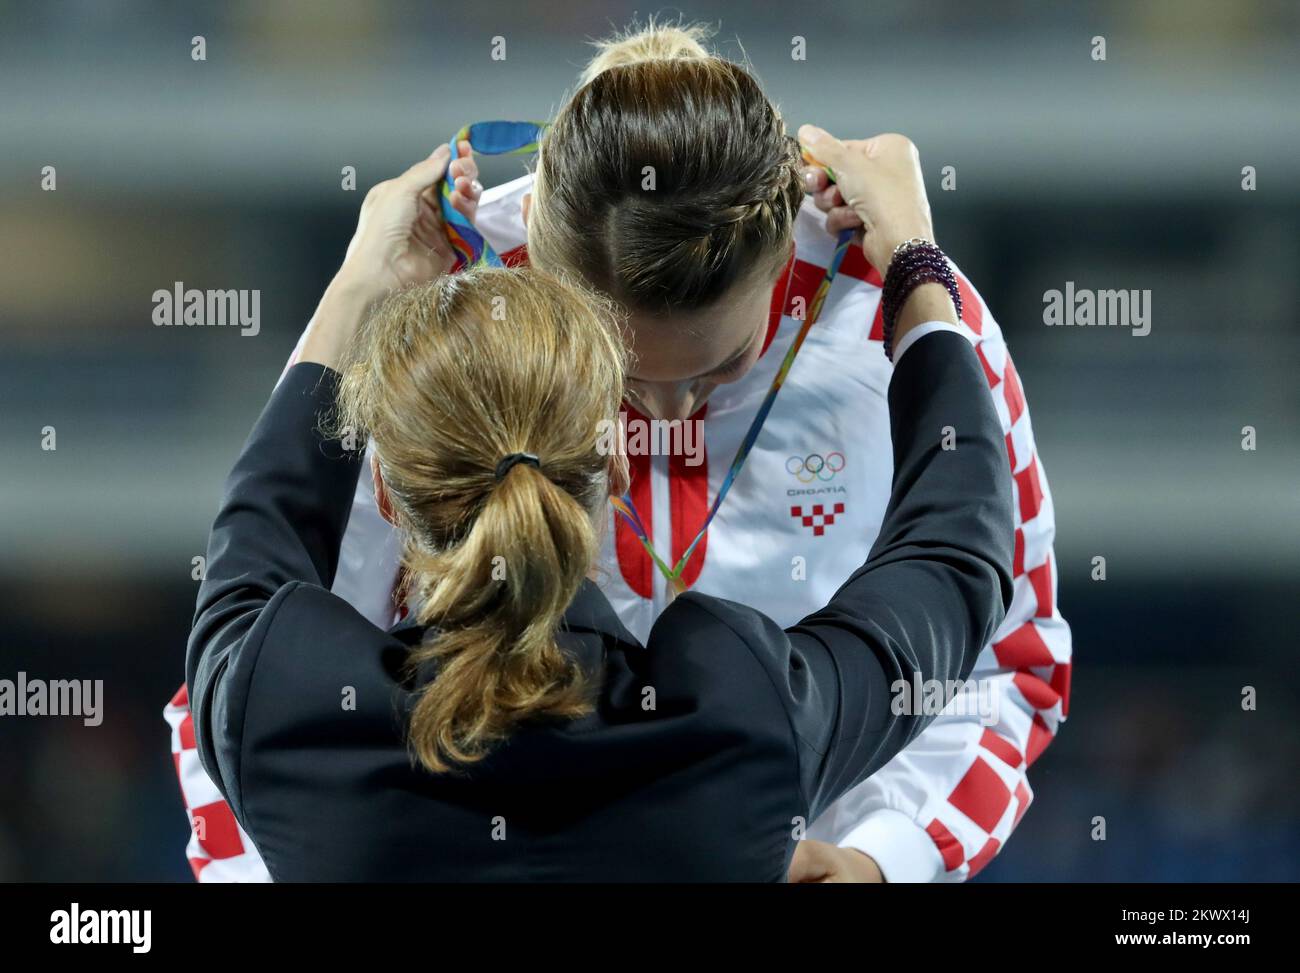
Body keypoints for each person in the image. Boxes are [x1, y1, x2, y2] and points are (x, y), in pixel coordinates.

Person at [167, 21, 1071, 883]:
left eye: (723, 365)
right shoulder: (446, 327)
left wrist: (888, 852)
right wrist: (921, 260)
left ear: (770, 266)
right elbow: (962, 573)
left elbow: (1011, 665)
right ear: (546, 282)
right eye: (620, 382)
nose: (669, 413)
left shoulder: (894, 321)